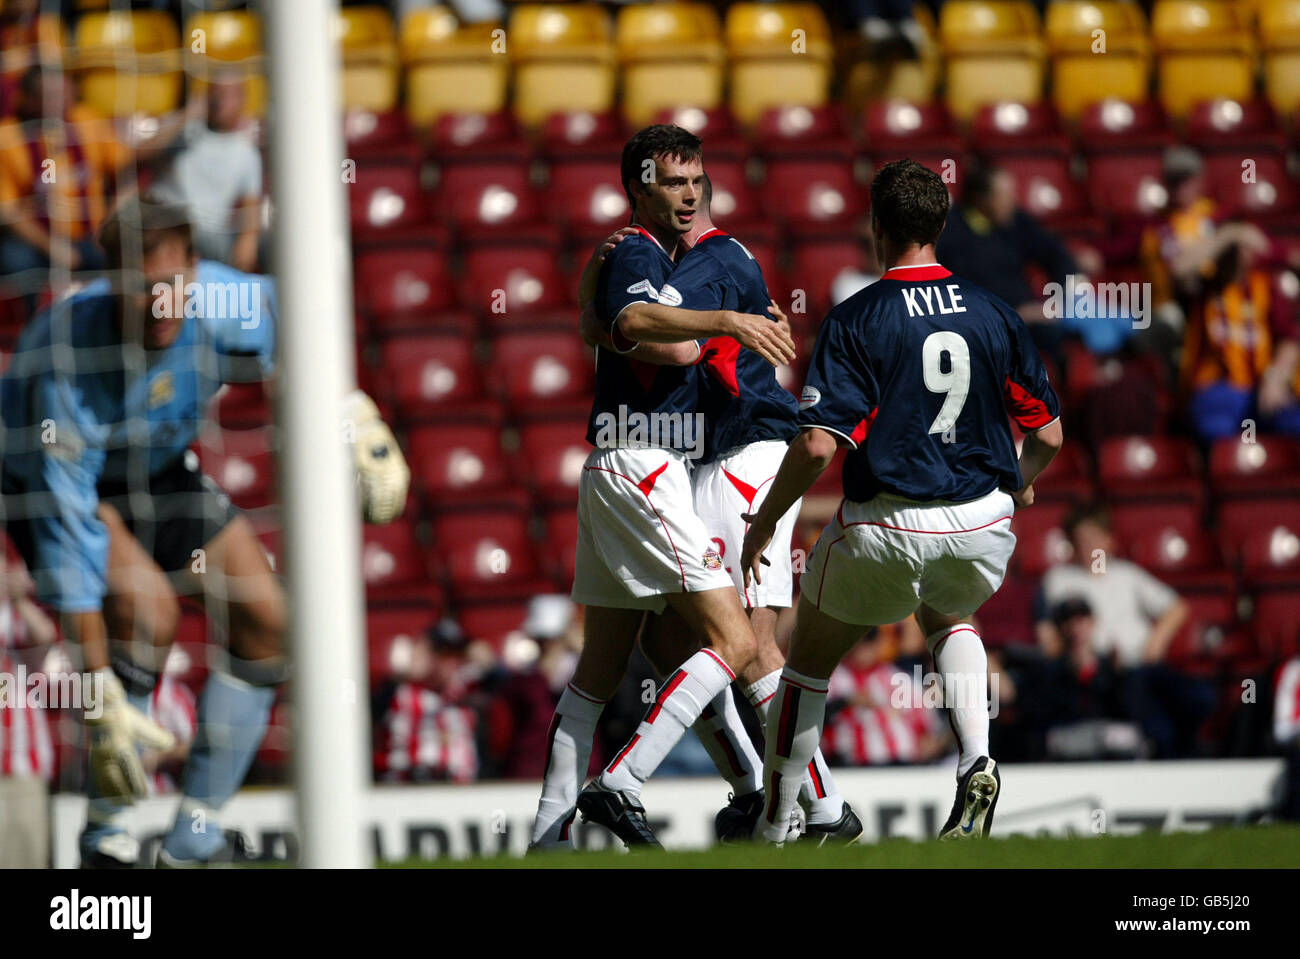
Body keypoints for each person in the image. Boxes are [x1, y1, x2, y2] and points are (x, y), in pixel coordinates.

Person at [0, 193, 408, 866]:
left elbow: (305, 328)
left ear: (196, 270)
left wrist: (351, 414)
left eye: (174, 285)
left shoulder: (228, 300)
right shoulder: (68, 364)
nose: (162, 304)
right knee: (147, 610)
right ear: (113, 284)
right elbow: (73, 544)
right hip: (49, 481)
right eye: (144, 290)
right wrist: (97, 696)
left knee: (270, 622)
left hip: (159, 468)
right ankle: (107, 841)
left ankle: (191, 841)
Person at [740, 158, 1065, 843]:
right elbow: (1050, 434)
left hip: (886, 522)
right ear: (942, 225)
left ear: (877, 227)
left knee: (805, 665)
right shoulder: (994, 310)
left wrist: (768, 519)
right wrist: (1018, 480)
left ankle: (774, 823)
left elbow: (820, 447)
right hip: (980, 520)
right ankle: (976, 756)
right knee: (951, 613)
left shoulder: (857, 317)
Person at [528, 125, 795, 851]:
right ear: (640, 185)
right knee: (736, 639)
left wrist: (593, 290)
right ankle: (623, 781)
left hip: (616, 465)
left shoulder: (637, 257)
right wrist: (727, 319)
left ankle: (548, 836)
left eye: (697, 179)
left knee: (601, 670)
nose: (691, 193)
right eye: (674, 181)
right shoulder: (642, 253)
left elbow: (602, 322)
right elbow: (652, 330)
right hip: (646, 462)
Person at [577, 174, 859, 843]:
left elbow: (657, 334)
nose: (677, 201)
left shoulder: (714, 260)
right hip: (716, 457)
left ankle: (816, 802)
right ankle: (761, 789)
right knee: (669, 637)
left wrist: (606, 297)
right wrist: (597, 280)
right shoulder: (703, 263)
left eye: (686, 188)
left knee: (751, 641)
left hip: (747, 452)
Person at [1039, 504, 1213, 758]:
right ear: (1072, 544)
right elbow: (1053, 634)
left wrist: (1156, 642)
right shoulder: (1060, 580)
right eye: (1082, 539)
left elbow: (1175, 607)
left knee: (1199, 696)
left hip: (1142, 665)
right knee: (1154, 721)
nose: (1089, 546)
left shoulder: (1127, 575)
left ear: (1109, 540)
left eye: (1095, 538)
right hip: (1101, 674)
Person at [150, 71, 263, 272]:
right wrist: (186, 116)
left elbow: (251, 209)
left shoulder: (246, 153)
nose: (220, 100)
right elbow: (140, 154)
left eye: (229, 94)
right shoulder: (182, 130)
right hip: (166, 222)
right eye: (216, 92)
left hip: (211, 236)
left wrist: (248, 241)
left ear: (242, 100)